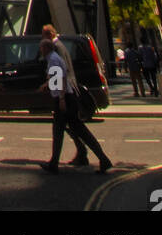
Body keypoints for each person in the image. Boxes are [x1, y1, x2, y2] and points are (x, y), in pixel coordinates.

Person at [39, 37, 111, 174]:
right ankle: (54, 163)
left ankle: (103, 159)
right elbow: (60, 77)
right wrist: (46, 85)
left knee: (70, 131)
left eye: (41, 48)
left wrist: (61, 99)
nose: (40, 50)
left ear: (46, 48)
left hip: (64, 98)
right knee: (66, 131)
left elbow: (61, 79)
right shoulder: (54, 58)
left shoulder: (53, 59)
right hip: (66, 97)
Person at [42, 24, 88, 166]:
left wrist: (59, 95)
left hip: (65, 92)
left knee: (71, 126)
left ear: (49, 35)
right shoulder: (61, 45)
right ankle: (81, 153)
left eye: (43, 35)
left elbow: (61, 72)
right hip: (66, 90)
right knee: (70, 126)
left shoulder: (56, 48)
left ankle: (83, 152)